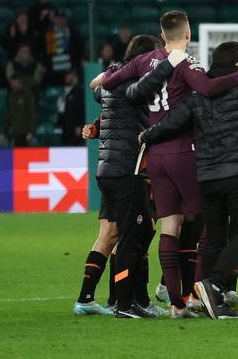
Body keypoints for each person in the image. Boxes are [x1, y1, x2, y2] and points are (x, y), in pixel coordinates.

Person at [95, 11, 238, 318]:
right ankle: (200, 294)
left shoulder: (142, 61)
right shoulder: (186, 63)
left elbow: (108, 82)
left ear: (163, 35)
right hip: (183, 150)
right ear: (188, 34)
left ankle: (177, 304)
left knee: (170, 225)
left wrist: (104, 78)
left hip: (155, 154)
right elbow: (207, 89)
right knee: (208, 222)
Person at [139, 41, 238, 320]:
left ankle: (208, 298)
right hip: (236, 175)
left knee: (215, 237)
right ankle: (214, 283)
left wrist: (147, 135)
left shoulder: (197, 96)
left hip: (206, 177)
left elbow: (171, 121)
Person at [84, 33, 167, 319]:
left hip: (108, 169)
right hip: (128, 169)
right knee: (135, 234)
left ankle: (122, 300)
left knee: (125, 234)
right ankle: (124, 303)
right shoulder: (134, 86)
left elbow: (98, 88)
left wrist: (110, 71)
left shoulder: (110, 85)